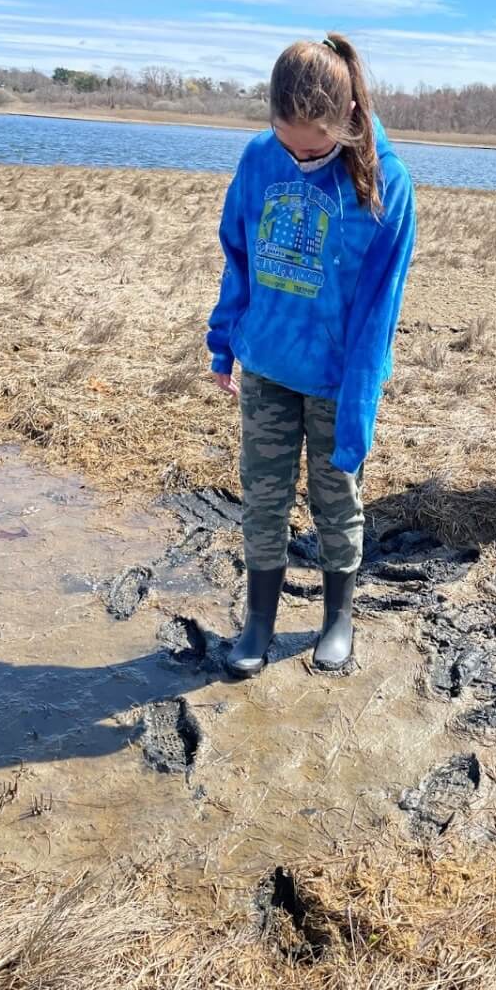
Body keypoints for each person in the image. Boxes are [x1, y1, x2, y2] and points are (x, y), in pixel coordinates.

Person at [207, 33, 417, 676]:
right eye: (287, 143)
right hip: (268, 365)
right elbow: (239, 254)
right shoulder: (258, 158)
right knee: (263, 496)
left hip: (335, 378)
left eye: (316, 147)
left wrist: (358, 407)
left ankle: (337, 618)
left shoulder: (387, 184)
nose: (300, 158)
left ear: (348, 117)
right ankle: (259, 622)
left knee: (336, 498)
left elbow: (379, 311)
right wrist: (224, 340)